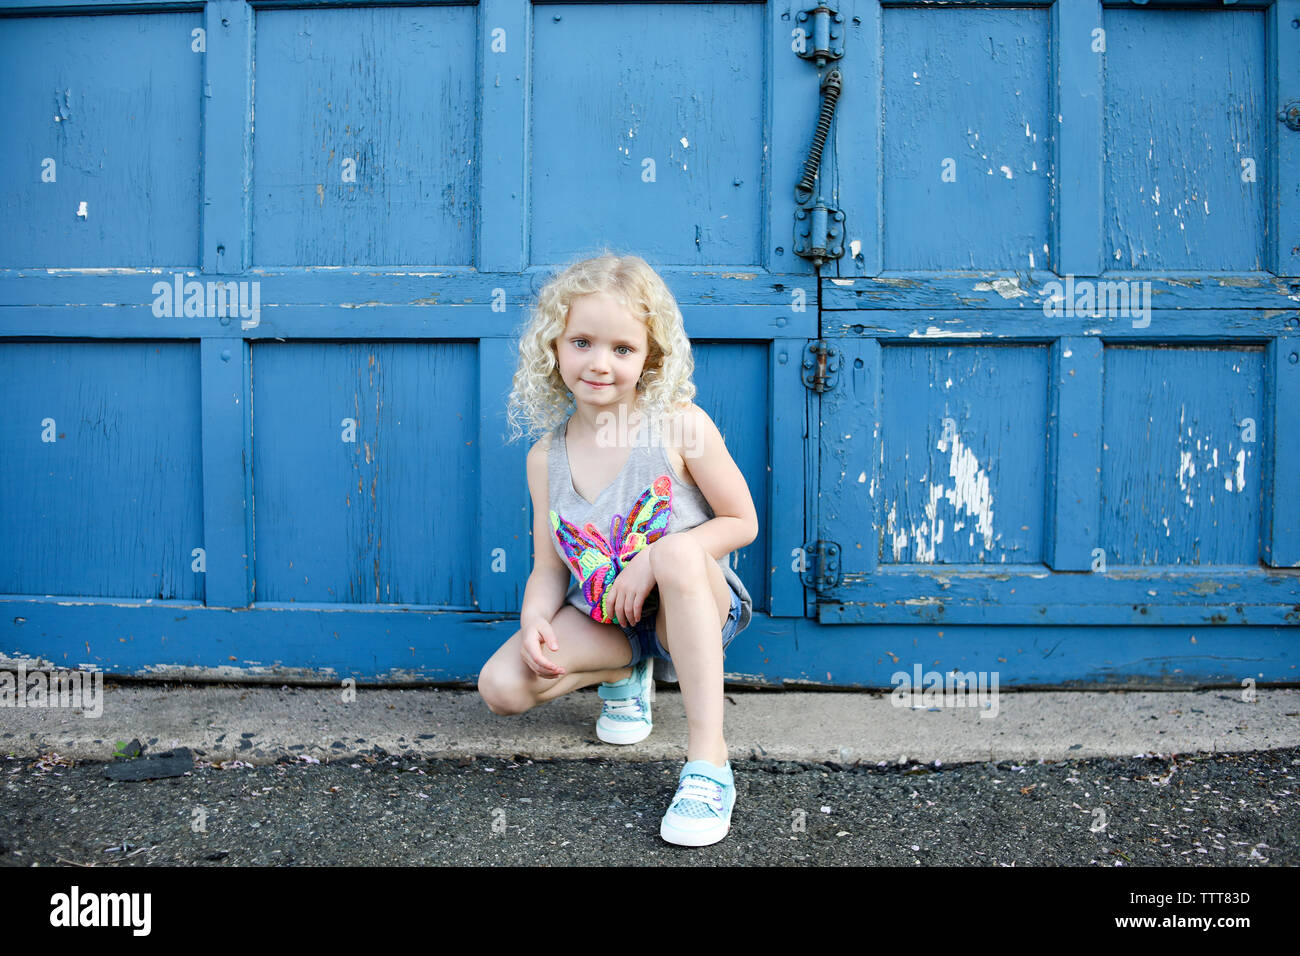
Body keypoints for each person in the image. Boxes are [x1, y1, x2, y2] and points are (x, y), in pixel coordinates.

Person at [478, 250, 757, 847]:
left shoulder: (679, 425)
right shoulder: (544, 458)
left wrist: (654, 556)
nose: (599, 363)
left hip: (693, 606)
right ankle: (627, 671)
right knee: (500, 686)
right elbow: (549, 568)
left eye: (622, 349)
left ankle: (710, 764)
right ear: (553, 346)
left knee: (678, 552)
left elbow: (741, 521)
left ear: (649, 356)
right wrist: (534, 621)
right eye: (582, 341)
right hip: (608, 615)